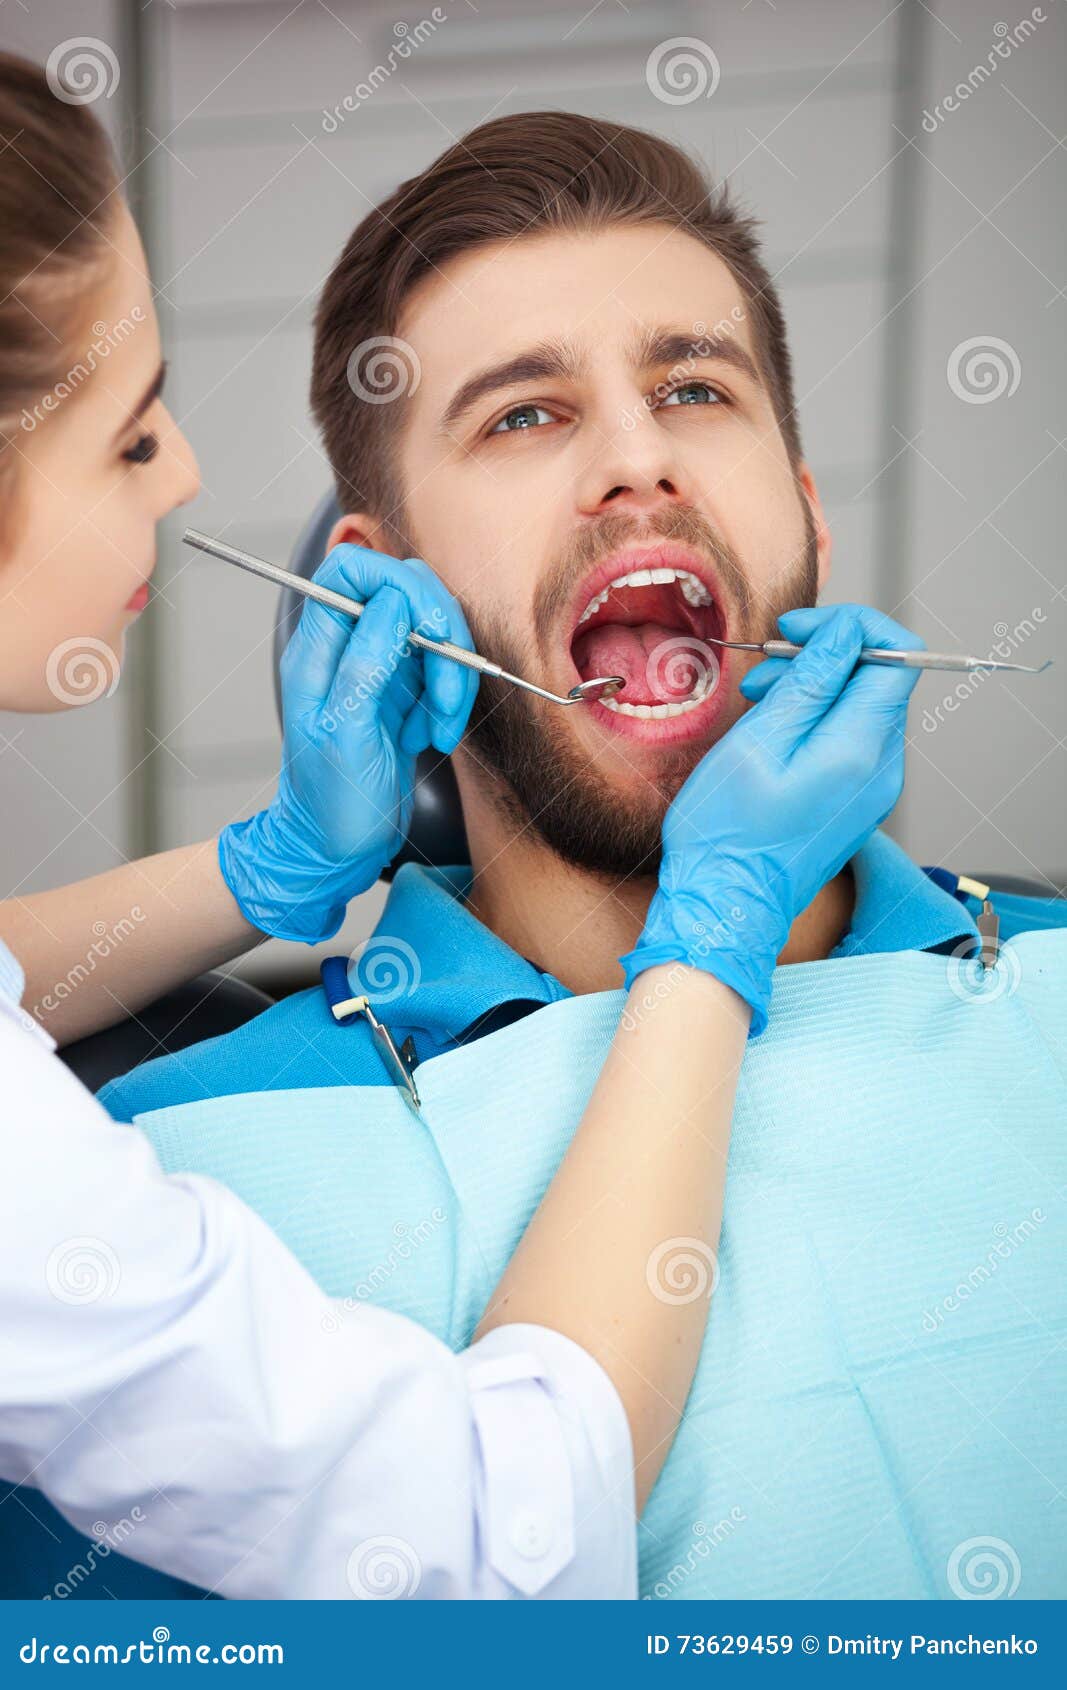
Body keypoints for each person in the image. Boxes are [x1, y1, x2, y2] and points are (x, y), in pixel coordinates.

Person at [93, 113, 1066, 1601]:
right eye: (525, 416)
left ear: (803, 519)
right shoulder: (159, 1179)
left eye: (694, 387)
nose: (637, 459)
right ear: (376, 593)